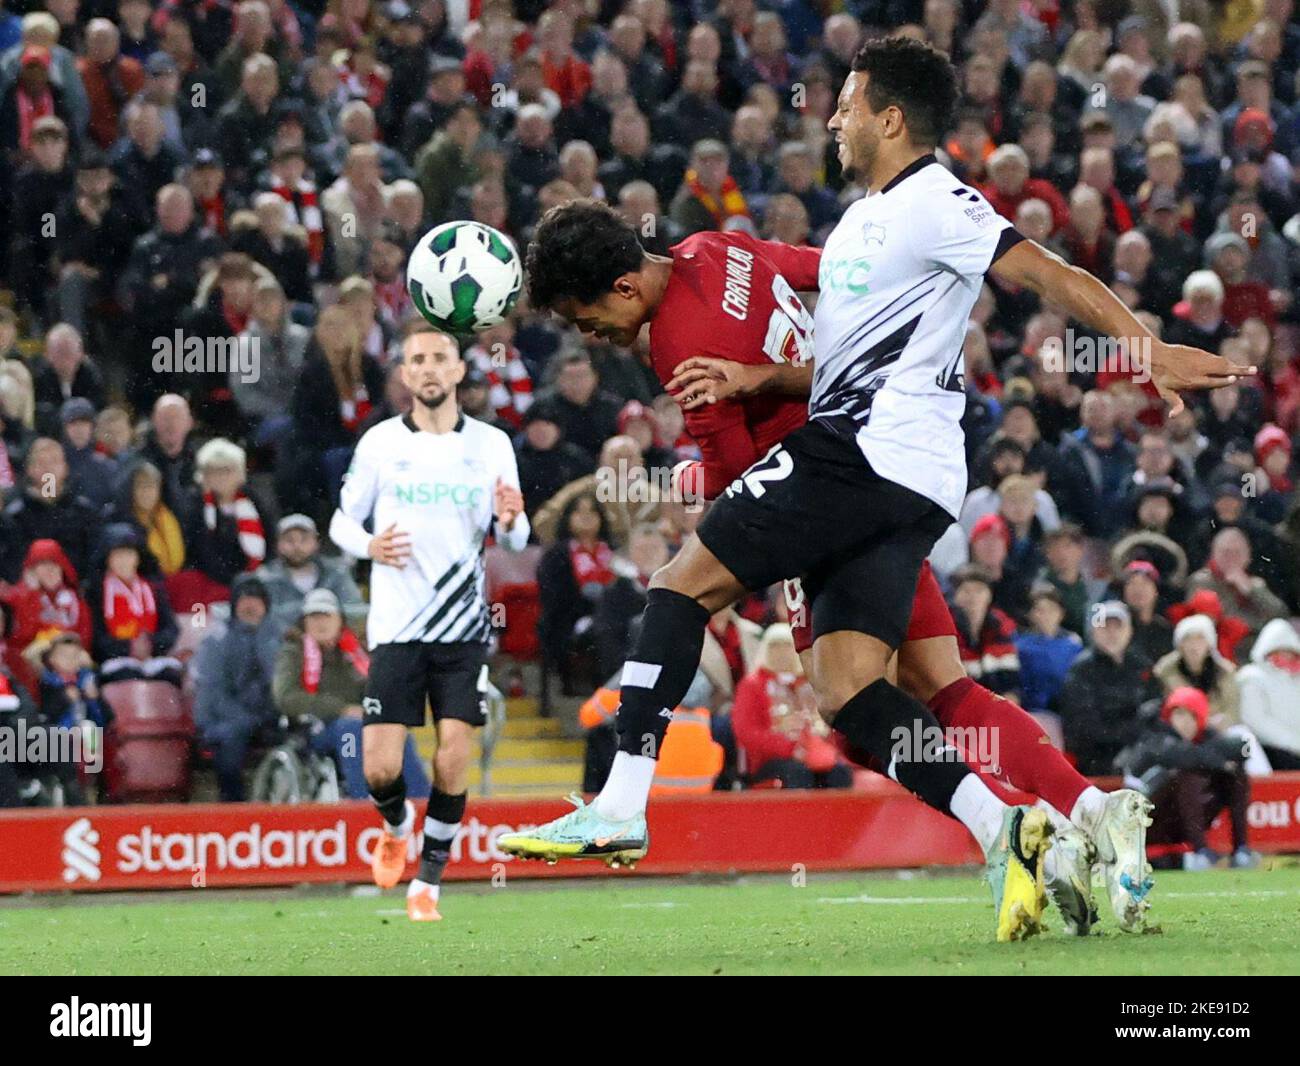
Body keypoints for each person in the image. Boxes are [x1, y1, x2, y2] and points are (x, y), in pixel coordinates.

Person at [502, 38, 1241, 939]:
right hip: (890, 473)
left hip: (860, 455)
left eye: (847, 103)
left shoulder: (934, 201)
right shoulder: (844, 228)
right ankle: (1030, 821)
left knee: (675, 586)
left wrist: (1144, 347)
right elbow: (832, 351)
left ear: (890, 118)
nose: (832, 116)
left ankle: (619, 801)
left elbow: (1047, 271)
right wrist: (758, 381)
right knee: (864, 690)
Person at [328, 319, 530, 923]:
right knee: (381, 768)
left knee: (451, 755)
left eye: (440, 358)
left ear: (460, 370)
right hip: (396, 627)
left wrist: (513, 517)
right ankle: (394, 825)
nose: (430, 369)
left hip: (463, 630)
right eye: (418, 360)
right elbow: (340, 523)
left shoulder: (491, 444)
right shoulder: (381, 443)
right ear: (404, 374)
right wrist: (369, 547)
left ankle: (429, 885)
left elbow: (515, 533)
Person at [1116, 686, 1257, 871]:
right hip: (1144, 822)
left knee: (1235, 774)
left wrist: (1222, 762)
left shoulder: (1206, 738)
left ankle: (1241, 850)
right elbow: (1181, 755)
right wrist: (1220, 762)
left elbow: (1242, 748)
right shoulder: (1154, 737)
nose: (1186, 723)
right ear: (1169, 716)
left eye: (1193, 716)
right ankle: (1199, 852)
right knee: (1187, 774)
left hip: (1180, 821)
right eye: (1180, 715)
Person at [731, 623, 851, 790]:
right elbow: (746, 732)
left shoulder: (810, 683)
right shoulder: (752, 685)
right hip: (770, 760)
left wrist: (821, 736)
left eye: (787, 646)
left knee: (840, 773)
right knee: (798, 774)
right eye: (775, 647)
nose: (781, 653)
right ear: (765, 650)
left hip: (814, 753)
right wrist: (789, 748)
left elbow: (830, 722)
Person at [192, 574, 280, 801]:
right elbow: (213, 691)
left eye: (256, 600)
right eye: (244, 600)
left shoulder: (278, 637)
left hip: (269, 716)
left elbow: (281, 683)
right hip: (227, 719)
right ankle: (233, 804)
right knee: (230, 739)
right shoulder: (217, 641)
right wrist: (245, 718)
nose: (250, 606)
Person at [1059, 602, 1163, 775]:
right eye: (1105, 627)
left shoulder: (1141, 665)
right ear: (1093, 632)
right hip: (1097, 756)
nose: (1112, 633)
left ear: (1129, 631)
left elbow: (1155, 707)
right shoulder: (1081, 670)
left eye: (1118, 627)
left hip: (1140, 749)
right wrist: (1133, 729)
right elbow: (1084, 728)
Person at [256, 513, 366, 636]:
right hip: (284, 647)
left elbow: (357, 611)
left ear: (316, 543)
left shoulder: (337, 573)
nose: (297, 546)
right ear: (278, 545)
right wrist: (322, 612)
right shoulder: (265, 578)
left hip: (334, 645)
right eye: (289, 540)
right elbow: (264, 620)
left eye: (304, 539)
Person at [1237, 618, 1300, 770]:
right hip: (1268, 750)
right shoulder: (1252, 677)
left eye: (1289, 653)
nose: (1286, 658)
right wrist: (1294, 743)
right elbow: (1255, 720)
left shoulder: (1297, 679)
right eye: (1279, 652)